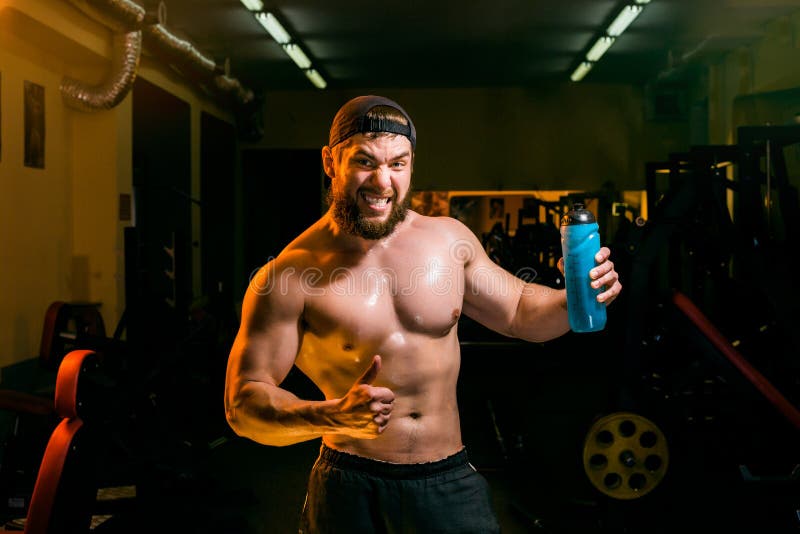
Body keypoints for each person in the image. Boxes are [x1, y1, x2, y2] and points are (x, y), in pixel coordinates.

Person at [224, 95, 622, 533]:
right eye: (365, 162)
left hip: (446, 478)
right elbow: (243, 404)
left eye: (398, 163)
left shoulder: (449, 241)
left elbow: (520, 311)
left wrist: (577, 297)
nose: (382, 181)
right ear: (330, 162)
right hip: (348, 483)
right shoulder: (288, 275)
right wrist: (330, 415)